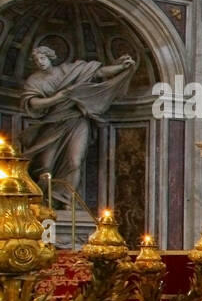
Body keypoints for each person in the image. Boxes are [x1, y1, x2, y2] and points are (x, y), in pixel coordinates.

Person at [18, 46, 135, 207]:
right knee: (45, 165)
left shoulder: (69, 70)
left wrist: (121, 67)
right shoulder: (34, 80)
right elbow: (33, 103)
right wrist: (57, 99)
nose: (40, 63)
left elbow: (98, 73)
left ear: (51, 57)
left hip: (77, 122)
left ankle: (67, 201)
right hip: (52, 124)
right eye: (37, 60)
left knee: (74, 161)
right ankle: (41, 203)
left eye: (43, 59)